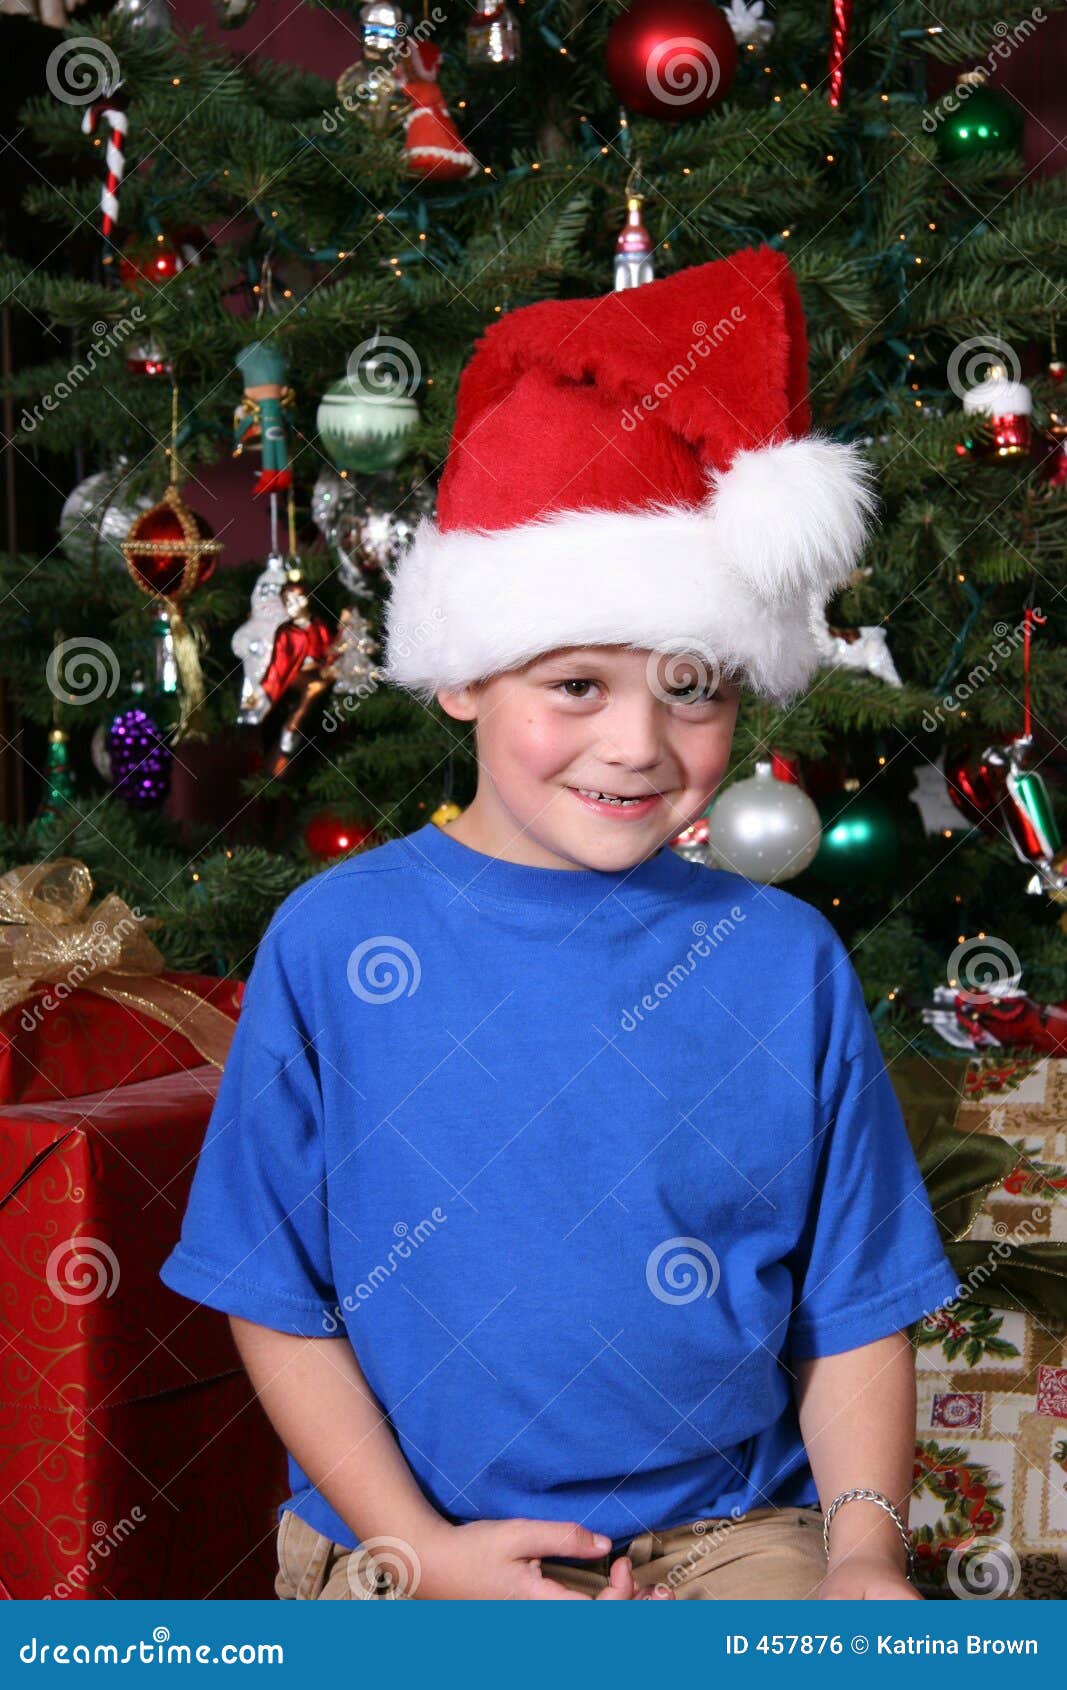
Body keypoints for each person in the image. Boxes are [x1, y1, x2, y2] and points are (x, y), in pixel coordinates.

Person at [158, 245, 959, 1602]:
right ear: (463, 673)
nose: (640, 745)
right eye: (577, 682)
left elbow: (854, 1309)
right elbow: (273, 1291)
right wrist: (418, 1543)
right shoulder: (333, 943)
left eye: (693, 690)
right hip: (403, 1533)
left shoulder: (783, 963)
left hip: (728, 1531)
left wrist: (867, 1545)